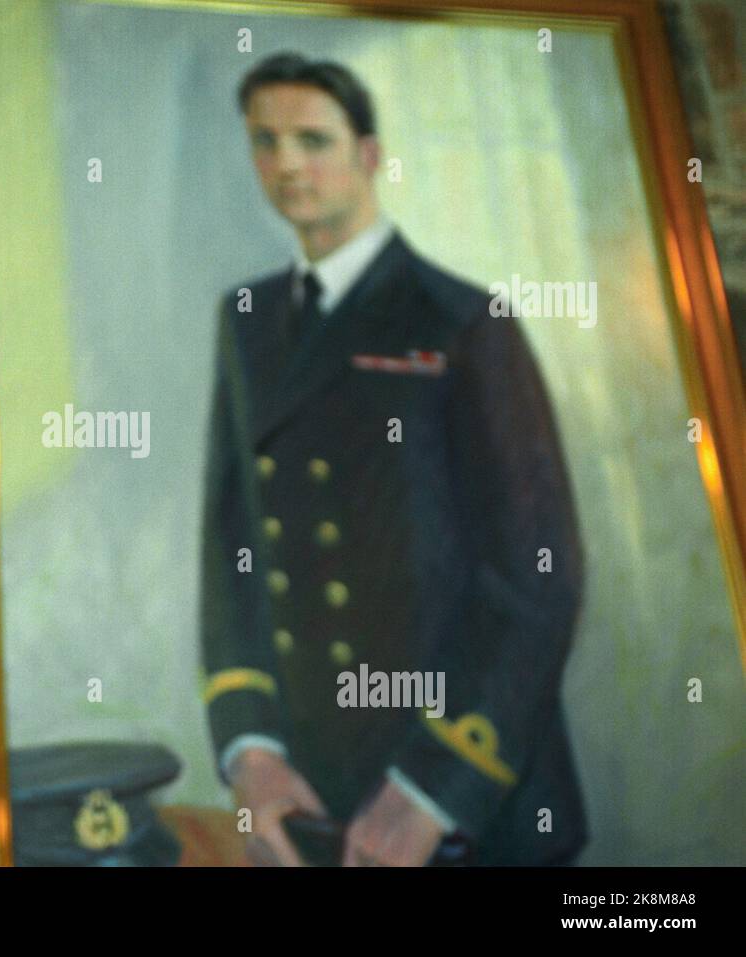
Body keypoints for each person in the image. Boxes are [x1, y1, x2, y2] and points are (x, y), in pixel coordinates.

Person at [200, 54, 588, 866]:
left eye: (314, 138)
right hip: (312, 790)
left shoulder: (462, 318)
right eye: (266, 142)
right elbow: (231, 548)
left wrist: (431, 788)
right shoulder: (246, 319)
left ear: (369, 154)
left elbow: (539, 574)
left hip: (465, 792)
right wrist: (253, 749)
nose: (288, 163)